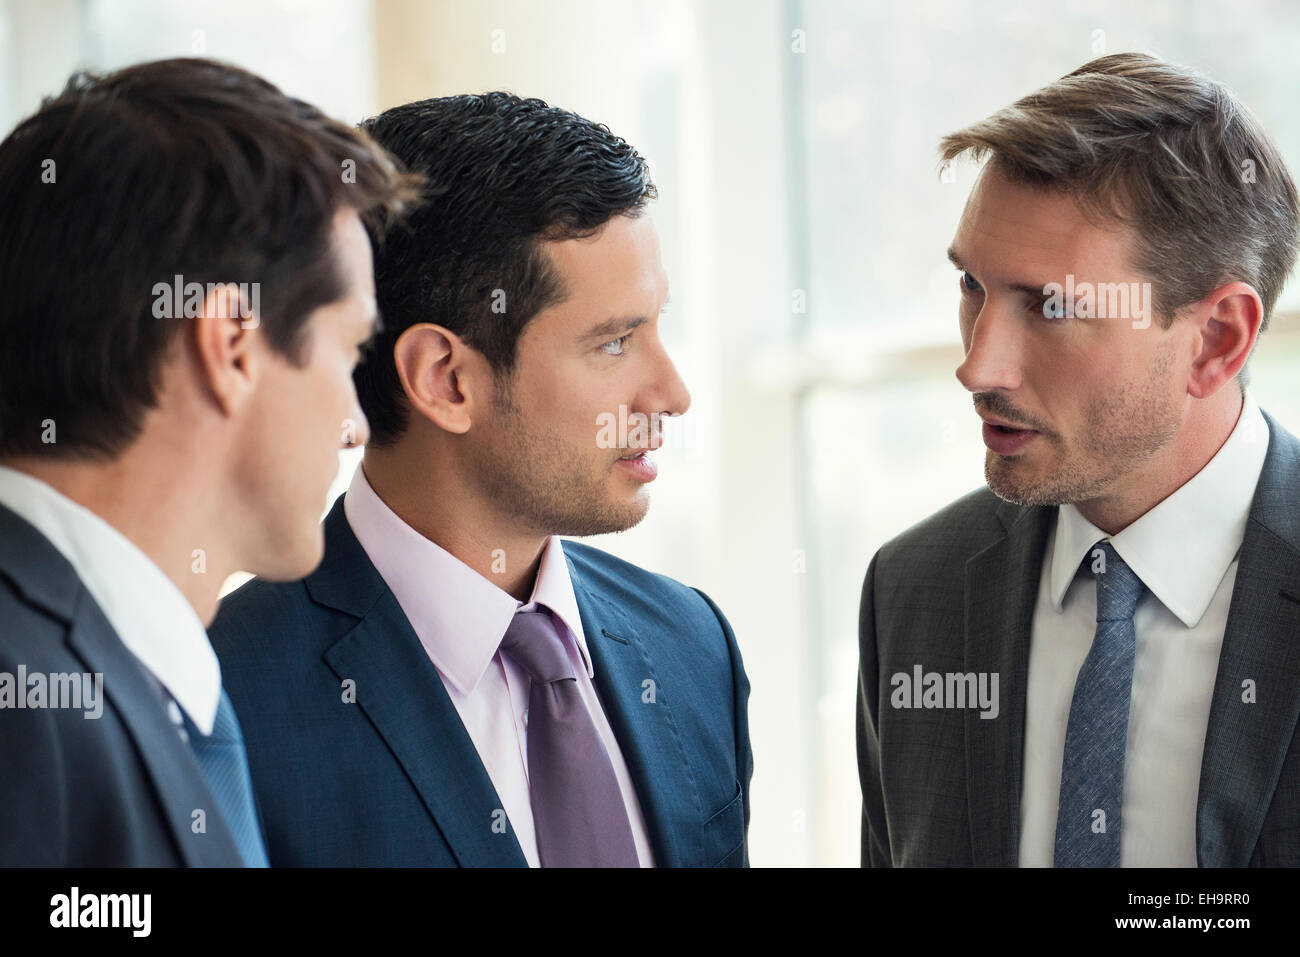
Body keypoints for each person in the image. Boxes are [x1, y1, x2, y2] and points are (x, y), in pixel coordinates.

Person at [209, 92, 753, 867]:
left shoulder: (694, 644)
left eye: (657, 325)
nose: (672, 392)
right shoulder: (224, 696)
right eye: (614, 342)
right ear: (445, 379)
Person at [857, 53, 1300, 867]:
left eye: (1050, 306)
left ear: (1217, 339)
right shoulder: (912, 590)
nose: (978, 366)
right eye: (972, 289)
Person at [0, 58, 418, 866]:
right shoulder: (25, 708)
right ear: (231, 345)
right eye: (350, 350)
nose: (357, 424)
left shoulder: (126, 673)